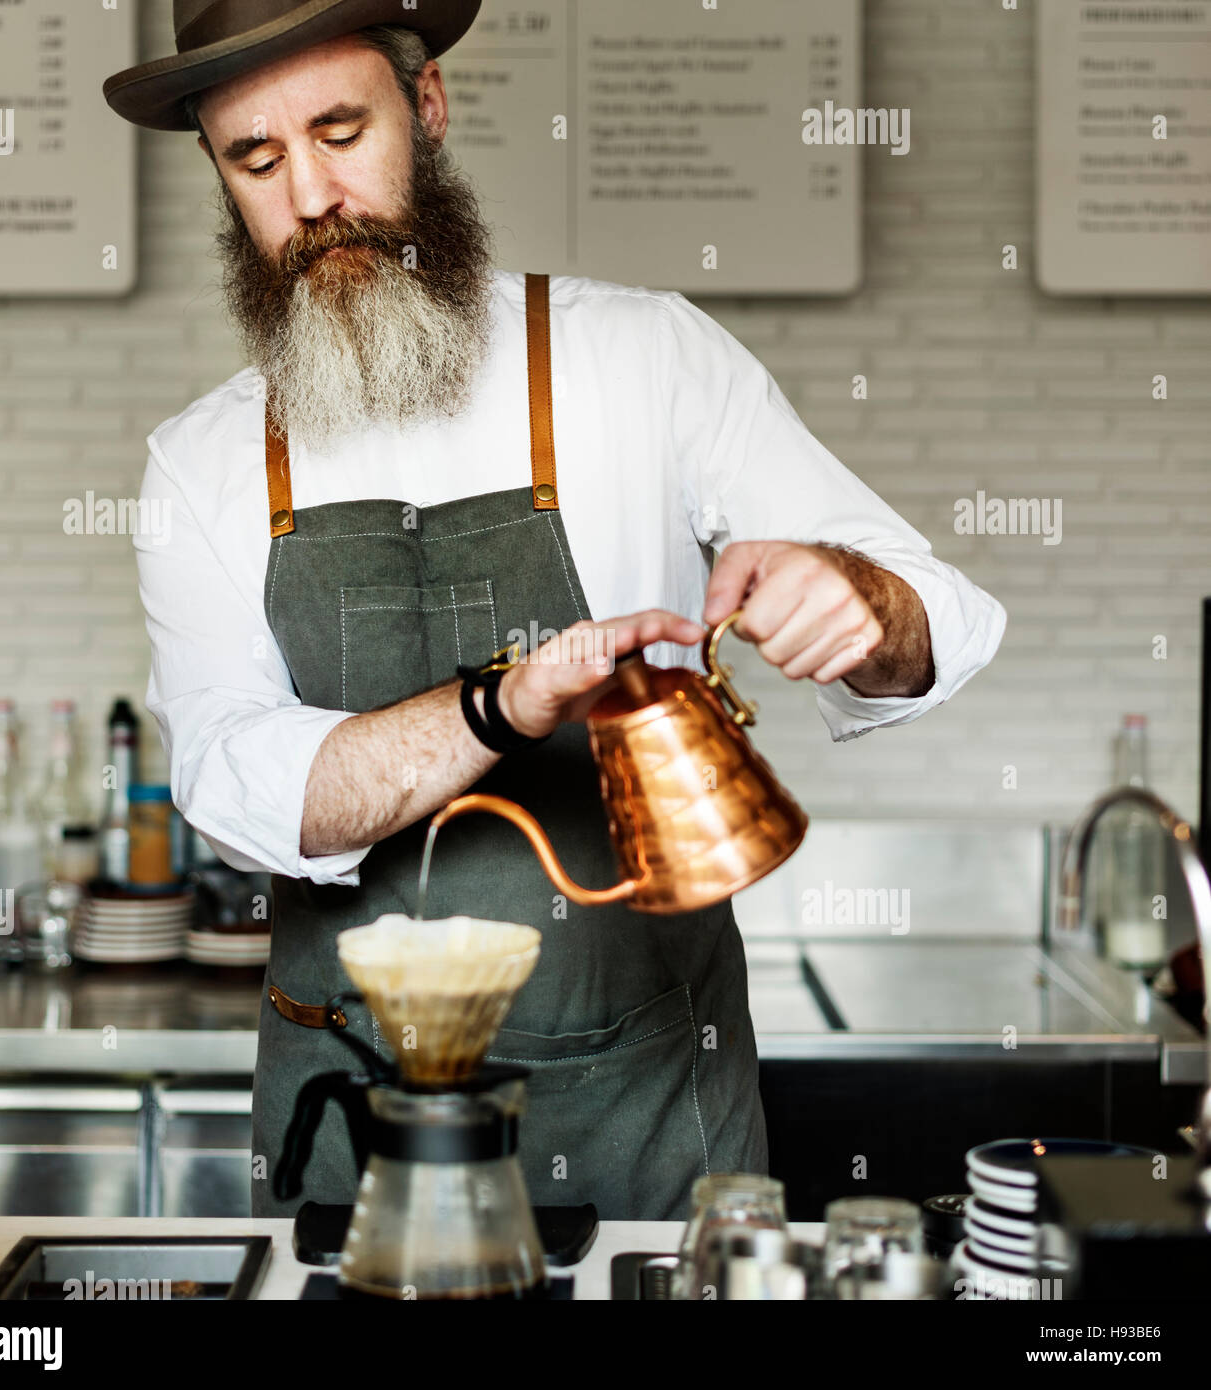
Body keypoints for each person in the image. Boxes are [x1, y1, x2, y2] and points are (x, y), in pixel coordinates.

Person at [104, 1, 1006, 1220]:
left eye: (339, 131)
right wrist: (503, 701)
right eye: (256, 162)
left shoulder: (643, 362)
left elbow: (936, 622)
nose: (311, 196)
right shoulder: (201, 462)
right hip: (352, 1126)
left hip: (644, 1115)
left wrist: (855, 600)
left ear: (426, 110)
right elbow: (239, 793)